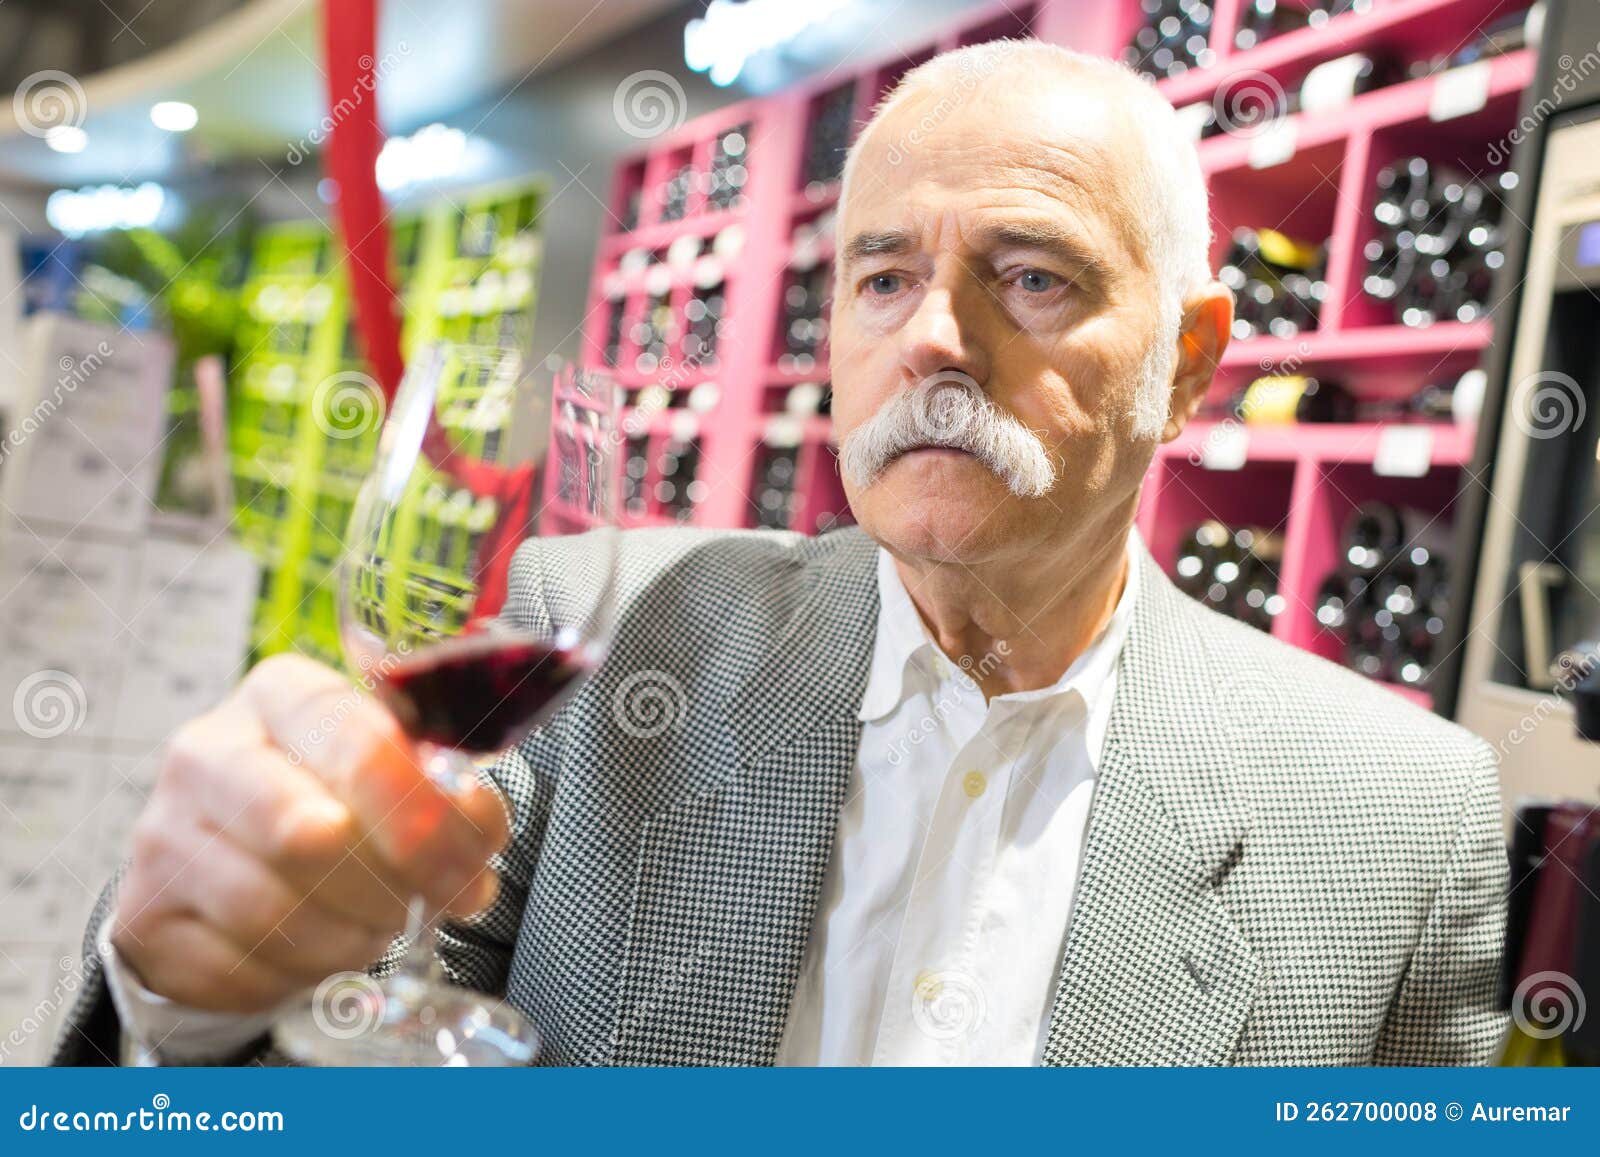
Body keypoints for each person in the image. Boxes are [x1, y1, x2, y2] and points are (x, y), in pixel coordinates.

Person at [55, 40, 1506, 1067]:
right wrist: (192, 1005)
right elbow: (347, 1042)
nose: (934, 335)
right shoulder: (611, 625)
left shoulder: (1400, 820)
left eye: (1033, 274)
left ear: (1190, 367)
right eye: (884, 275)